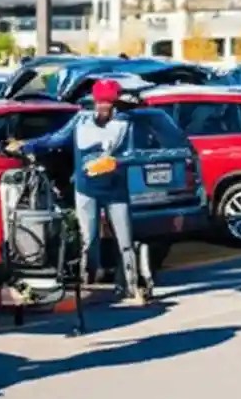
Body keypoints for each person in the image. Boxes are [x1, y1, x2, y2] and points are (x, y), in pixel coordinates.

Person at [9, 79, 150, 303]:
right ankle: (88, 285)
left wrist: (118, 162)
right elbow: (57, 139)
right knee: (89, 239)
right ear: (95, 102)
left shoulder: (126, 124)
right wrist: (27, 146)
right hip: (86, 189)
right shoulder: (81, 120)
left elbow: (135, 153)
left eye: (109, 103)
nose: (104, 107)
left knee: (124, 241)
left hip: (116, 190)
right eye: (101, 102)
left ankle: (129, 287)